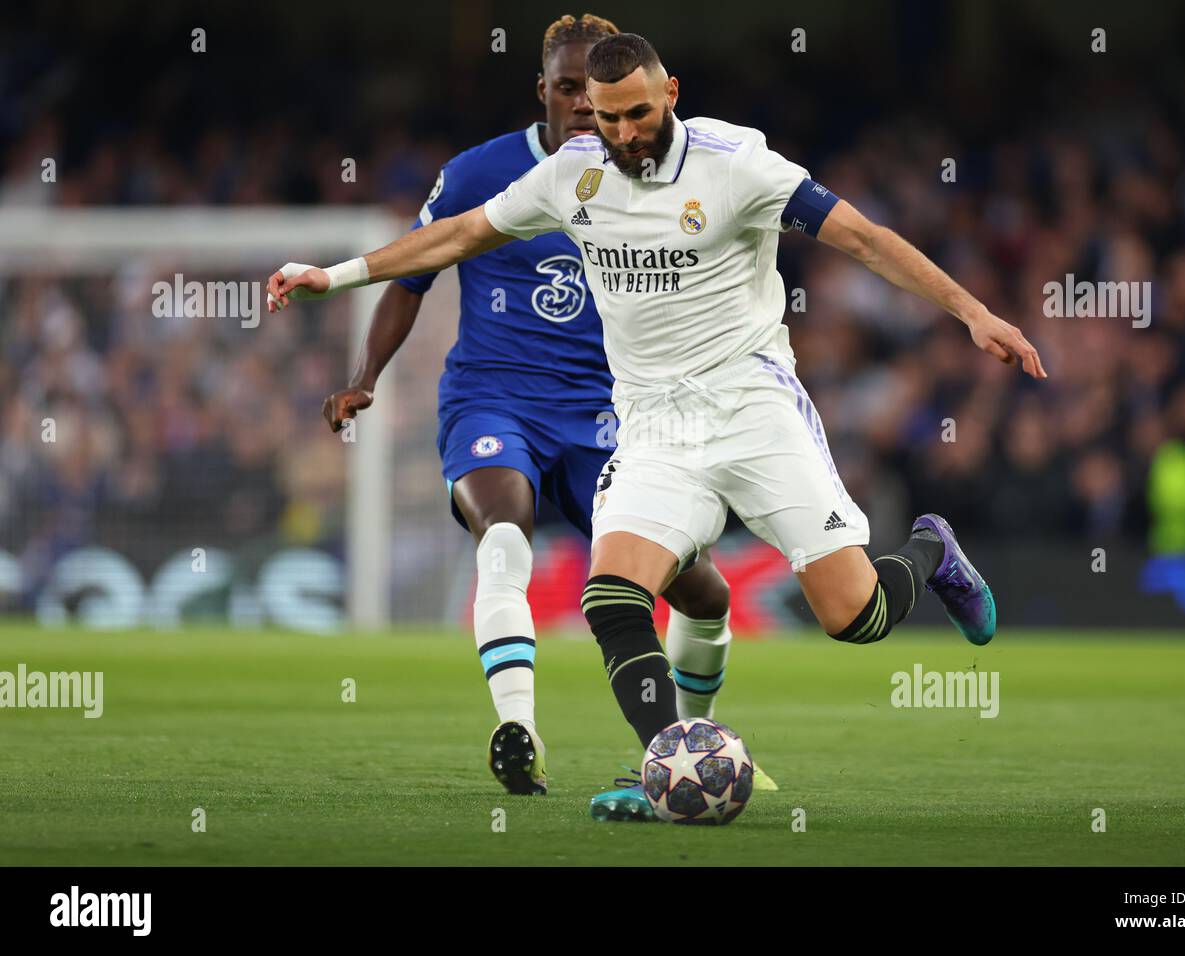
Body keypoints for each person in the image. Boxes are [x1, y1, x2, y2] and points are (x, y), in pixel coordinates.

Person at [267, 32, 1047, 821]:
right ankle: (662, 770)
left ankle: (931, 550)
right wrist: (333, 276)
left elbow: (866, 240)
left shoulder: (737, 166)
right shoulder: (574, 173)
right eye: (607, 118)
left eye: (638, 113)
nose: (625, 133)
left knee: (856, 618)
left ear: (670, 92)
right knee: (611, 597)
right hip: (649, 428)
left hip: (754, 411)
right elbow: (461, 233)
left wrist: (973, 312)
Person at [311, 17, 759, 800]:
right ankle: (517, 724)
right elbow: (411, 277)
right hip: (495, 398)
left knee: (704, 593)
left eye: (596, 92)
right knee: (503, 529)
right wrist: (366, 375)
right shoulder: (480, 173)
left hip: (608, 416)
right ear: (543, 91)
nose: (584, 106)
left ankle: (686, 747)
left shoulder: (660, 176)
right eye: (566, 89)